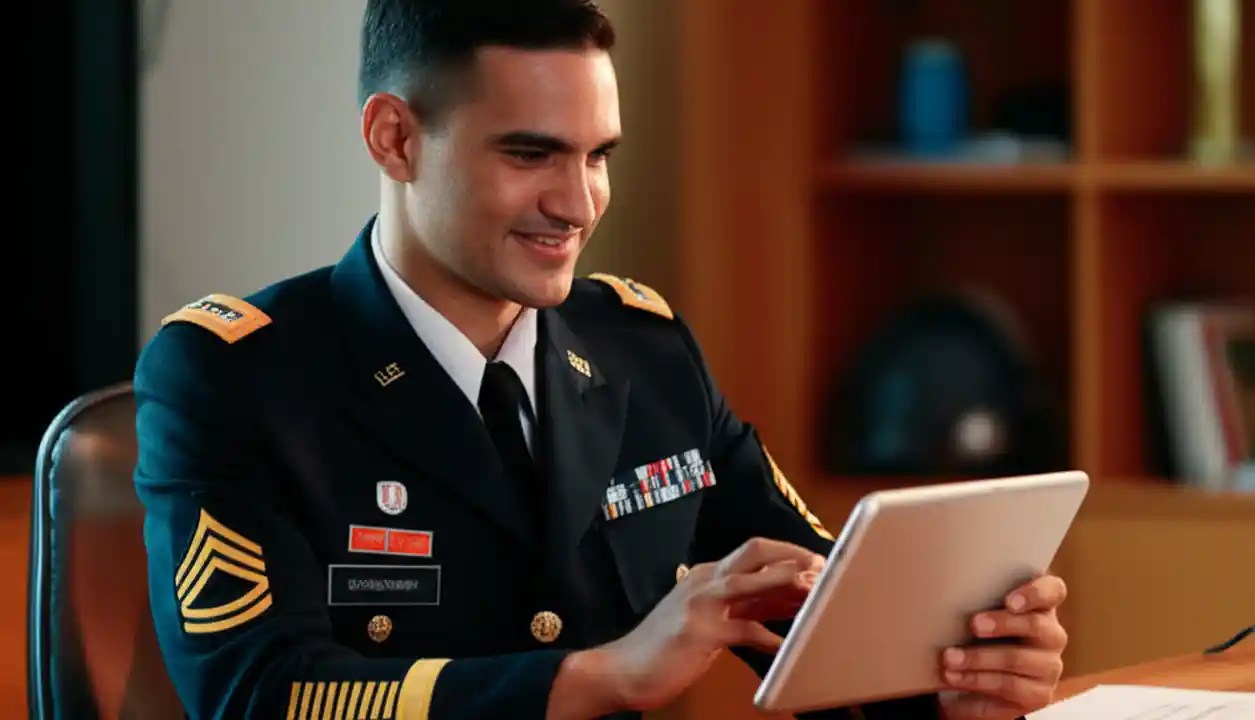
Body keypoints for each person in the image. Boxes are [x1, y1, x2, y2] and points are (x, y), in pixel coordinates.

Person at [133, 1, 1070, 718]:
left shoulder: (644, 350)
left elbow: (816, 602)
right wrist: (602, 675)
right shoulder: (232, 376)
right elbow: (261, 692)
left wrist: (957, 670)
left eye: (597, 156)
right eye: (532, 154)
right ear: (396, 138)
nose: (578, 204)